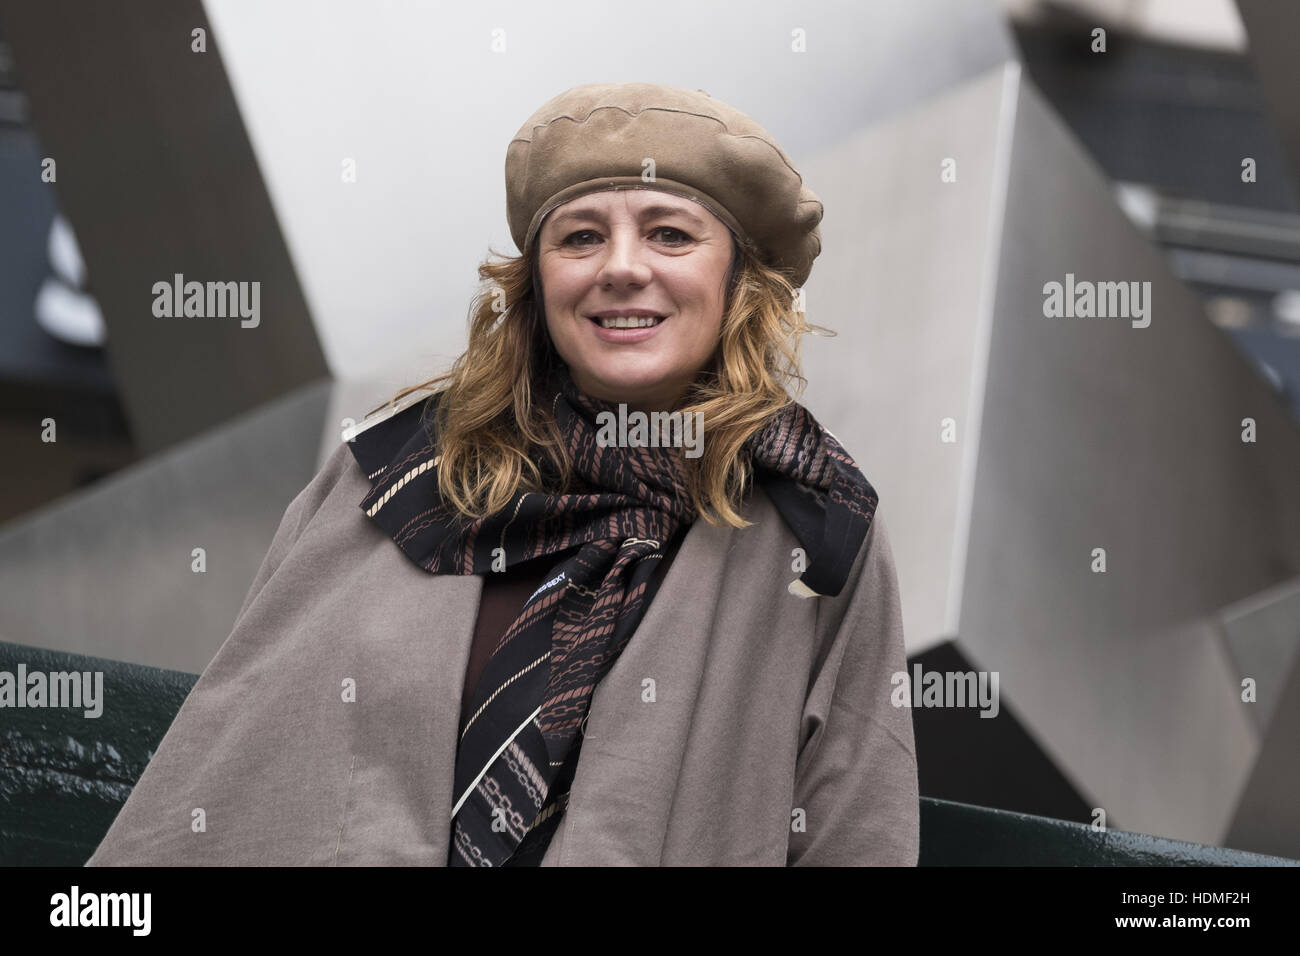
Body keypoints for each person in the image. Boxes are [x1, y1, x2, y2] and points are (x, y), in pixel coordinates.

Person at [86, 81, 918, 867]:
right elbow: (235, 743)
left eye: (670, 233)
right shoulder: (396, 477)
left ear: (738, 281)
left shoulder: (814, 534)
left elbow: (855, 827)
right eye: (581, 236)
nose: (620, 267)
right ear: (536, 283)